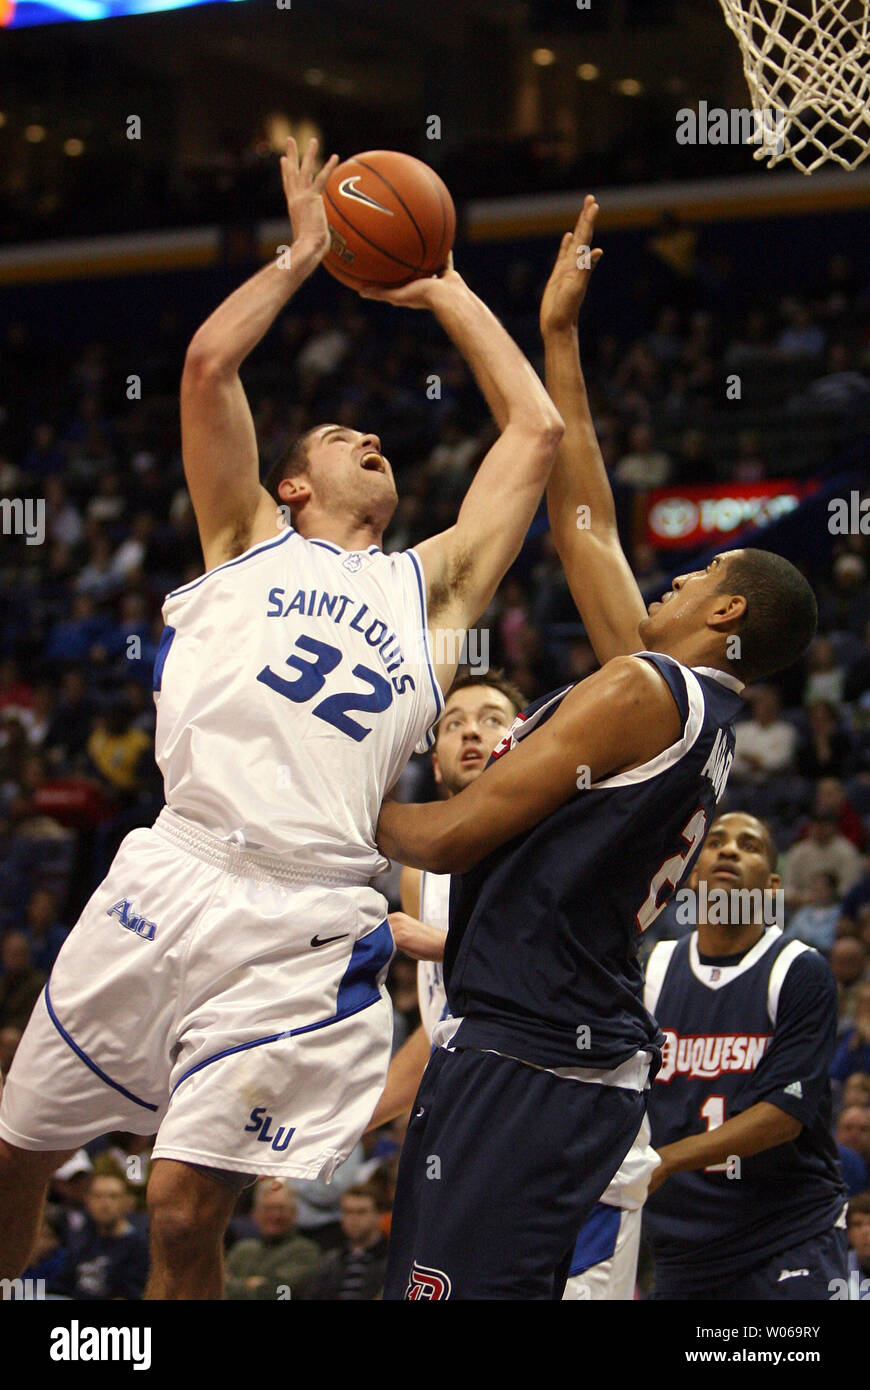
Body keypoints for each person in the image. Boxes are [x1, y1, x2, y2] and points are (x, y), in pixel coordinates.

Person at [0, 138, 564, 1301]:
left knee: (179, 1205)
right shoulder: (245, 534)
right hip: (176, 869)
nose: (375, 440)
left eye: (381, 438)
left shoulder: (433, 589)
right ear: (293, 482)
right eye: (344, 438)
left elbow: (537, 438)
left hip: (306, 910)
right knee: (16, 1153)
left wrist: (443, 281)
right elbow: (209, 364)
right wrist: (303, 255)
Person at [374, 204, 818, 1299]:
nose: (669, 578)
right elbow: (587, 528)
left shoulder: (644, 687)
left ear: (726, 621)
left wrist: (298, 789)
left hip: (537, 1056)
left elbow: (460, 828)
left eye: (699, 575)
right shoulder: (673, 704)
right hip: (545, 1047)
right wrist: (560, 339)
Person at [642, 811, 848, 1299]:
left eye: (749, 845)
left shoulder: (800, 971)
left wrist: (666, 1160)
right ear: (693, 874)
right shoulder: (654, 968)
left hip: (787, 1234)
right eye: (716, 842)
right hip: (682, 1246)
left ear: (773, 886)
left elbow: (782, 1116)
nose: (730, 850)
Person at [50, 1170, 149, 1301]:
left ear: (128, 1202)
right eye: (98, 1196)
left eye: (113, 1196)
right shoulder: (82, 1239)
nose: (104, 1204)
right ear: (88, 1201)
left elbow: (131, 1294)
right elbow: (60, 1285)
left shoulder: (139, 1246)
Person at [224, 1181, 321, 1300]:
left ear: (294, 1213)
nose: (275, 1215)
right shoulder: (243, 1250)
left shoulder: (305, 1251)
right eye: (267, 1208)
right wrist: (250, 1284)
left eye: (281, 1209)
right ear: (255, 1214)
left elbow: (279, 1294)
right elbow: (219, 1287)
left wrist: (236, 1285)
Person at [300, 1184, 388, 1300]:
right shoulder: (330, 1261)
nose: (353, 1219)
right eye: (347, 1212)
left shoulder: (393, 1261)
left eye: (361, 1212)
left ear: (379, 1215)